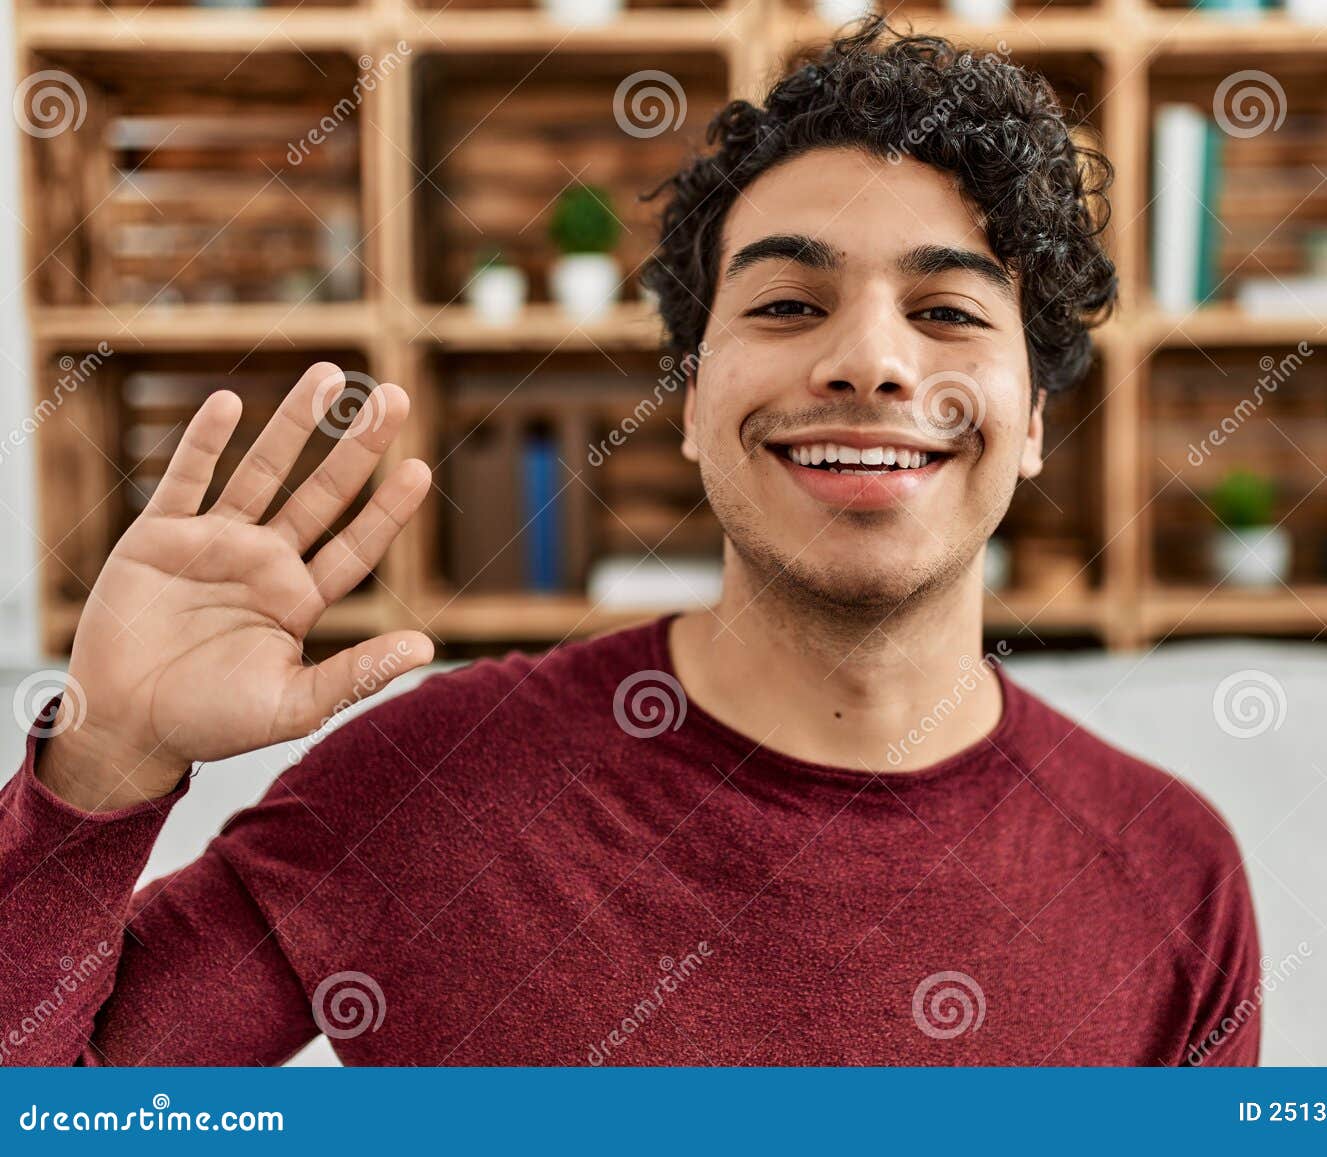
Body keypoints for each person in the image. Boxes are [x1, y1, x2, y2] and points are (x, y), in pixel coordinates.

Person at [0, 16, 1260, 1066]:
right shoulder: (428, 790)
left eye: (943, 309)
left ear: (1033, 419)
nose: (870, 361)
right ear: (696, 400)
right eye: (786, 303)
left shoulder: (1173, 869)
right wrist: (101, 764)